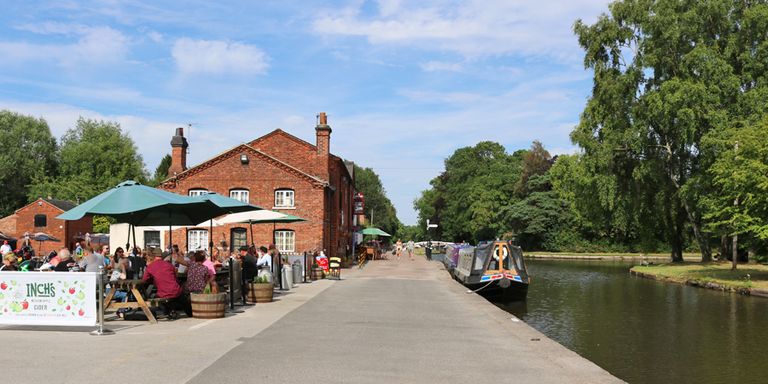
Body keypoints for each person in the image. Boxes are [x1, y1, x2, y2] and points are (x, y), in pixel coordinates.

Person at [142, 247, 191, 318]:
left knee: (157, 296)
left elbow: (144, 280)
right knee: (180, 294)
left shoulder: (150, 267)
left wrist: (153, 279)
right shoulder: (169, 265)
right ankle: (191, 313)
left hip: (163, 294)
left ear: (152, 256)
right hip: (176, 292)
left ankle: (169, 311)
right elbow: (175, 278)